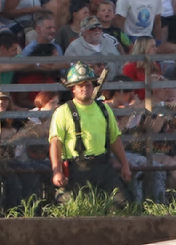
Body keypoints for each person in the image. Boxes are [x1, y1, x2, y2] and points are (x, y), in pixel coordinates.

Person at [48, 63, 131, 197]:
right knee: (75, 206)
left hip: (103, 166)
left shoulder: (104, 109)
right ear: (73, 88)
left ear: (93, 86)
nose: (85, 89)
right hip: (77, 168)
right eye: (80, 86)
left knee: (123, 202)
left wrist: (125, 165)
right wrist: (57, 171)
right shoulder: (63, 112)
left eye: (88, 85)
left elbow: (115, 139)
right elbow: (56, 143)